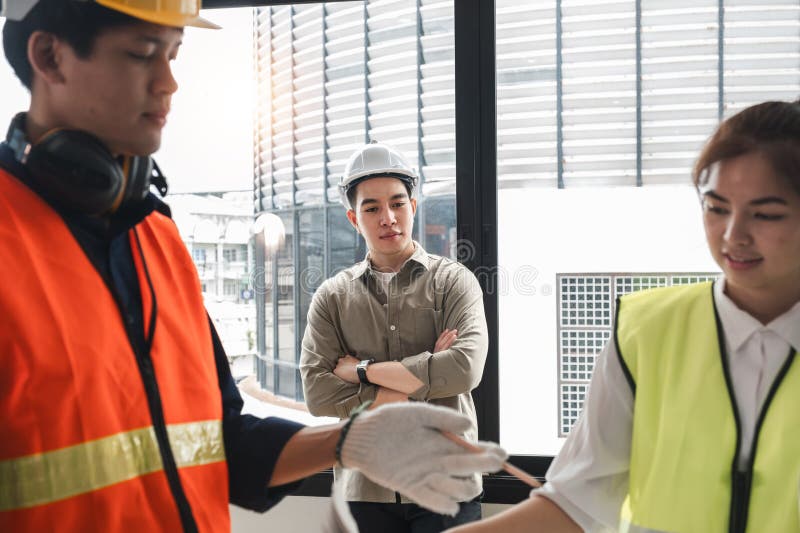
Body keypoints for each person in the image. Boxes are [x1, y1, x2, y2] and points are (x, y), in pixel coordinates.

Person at [0, 2, 507, 531]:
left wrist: (350, 437)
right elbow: (319, 392)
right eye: (143, 54)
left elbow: (223, 441)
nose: (169, 83)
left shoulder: (157, 240)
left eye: (173, 55)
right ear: (50, 57)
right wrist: (405, 382)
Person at [447, 100, 800, 533]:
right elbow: (575, 503)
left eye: (766, 214)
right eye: (716, 207)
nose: (733, 235)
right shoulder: (647, 329)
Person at [300, 141, 490, 532]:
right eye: (372, 208)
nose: (388, 218)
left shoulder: (454, 282)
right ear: (354, 219)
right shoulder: (332, 297)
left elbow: (464, 369)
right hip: (365, 491)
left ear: (413, 206)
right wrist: (424, 374)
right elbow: (318, 395)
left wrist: (362, 371)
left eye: (397, 203)